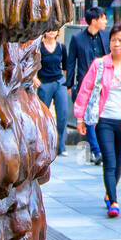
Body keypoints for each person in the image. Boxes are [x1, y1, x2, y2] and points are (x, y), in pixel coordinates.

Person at [74, 22, 121, 218]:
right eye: (113, 40)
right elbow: (85, 90)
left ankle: (109, 193)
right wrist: (80, 117)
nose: (116, 44)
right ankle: (114, 202)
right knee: (109, 161)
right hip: (104, 120)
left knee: (119, 160)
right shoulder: (99, 64)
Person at [66, 7, 108, 165]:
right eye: (103, 18)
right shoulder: (77, 39)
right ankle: (96, 151)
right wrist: (69, 84)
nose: (105, 21)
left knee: (100, 117)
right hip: (86, 83)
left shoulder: (106, 36)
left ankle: (99, 149)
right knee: (89, 117)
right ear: (94, 21)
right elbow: (71, 63)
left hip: (104, 82)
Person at [35, 28, 69, 157]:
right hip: (45, 83)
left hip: (59, 82)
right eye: (49, 30)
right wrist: (34, 78)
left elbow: (65, 66)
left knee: (62, 115)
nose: (52, 32)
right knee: (43, 115)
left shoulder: (61, 47)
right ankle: (42, 144)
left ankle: (61, 146)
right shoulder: (40, 47)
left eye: (54, 30)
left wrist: (66, 83)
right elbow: (33, 63)